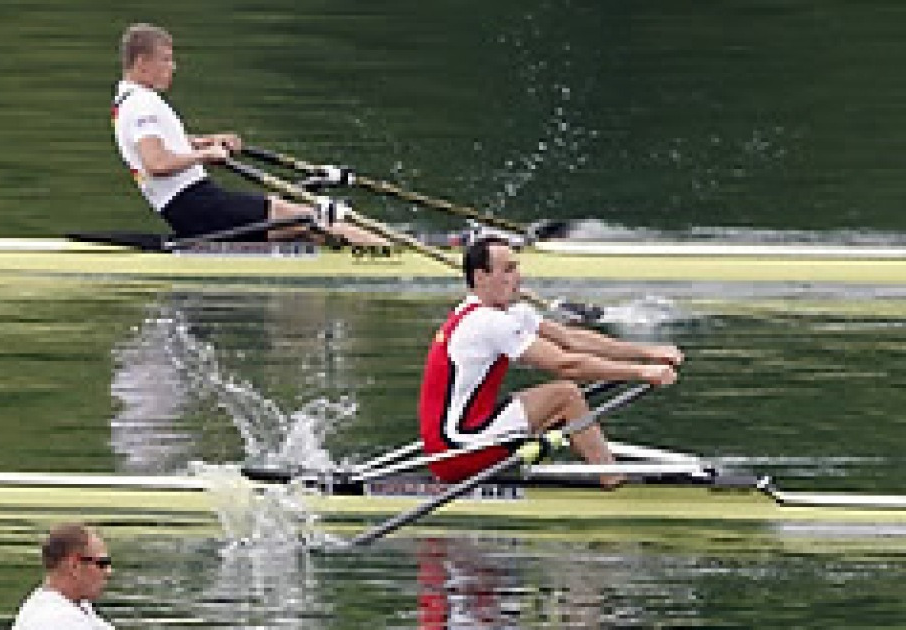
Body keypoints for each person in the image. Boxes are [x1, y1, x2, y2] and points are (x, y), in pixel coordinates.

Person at [418, 236, 682, 488]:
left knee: (562, 400)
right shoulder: (486, 321)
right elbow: (566, 364)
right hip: (456, 450)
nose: (518, 277)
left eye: (516, 268)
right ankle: (613, 482)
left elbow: (571, 339)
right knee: (565, 396)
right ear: (480, 277)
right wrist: (641, 372)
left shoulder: (508, 313)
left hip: (462, 438)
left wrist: (648, 353)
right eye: (507, 270)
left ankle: (604, 473)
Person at [112, 23, 385, 245]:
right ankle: (393, 256)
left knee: (299, 225)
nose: (173, 67)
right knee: (315, 217)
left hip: (195, 208)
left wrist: (206, 142)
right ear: (142, 63)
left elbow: (165, 144)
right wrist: (206, 155)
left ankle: (359, 255)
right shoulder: (141, 104)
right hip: (200, 207)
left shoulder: (131, 101)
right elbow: (156, 163)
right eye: (166, 59)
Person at [12, 522, 115, 630]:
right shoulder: (56, 620)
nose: (108, 572)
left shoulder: (76, 604)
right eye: (102, 563)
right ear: (74, 566)